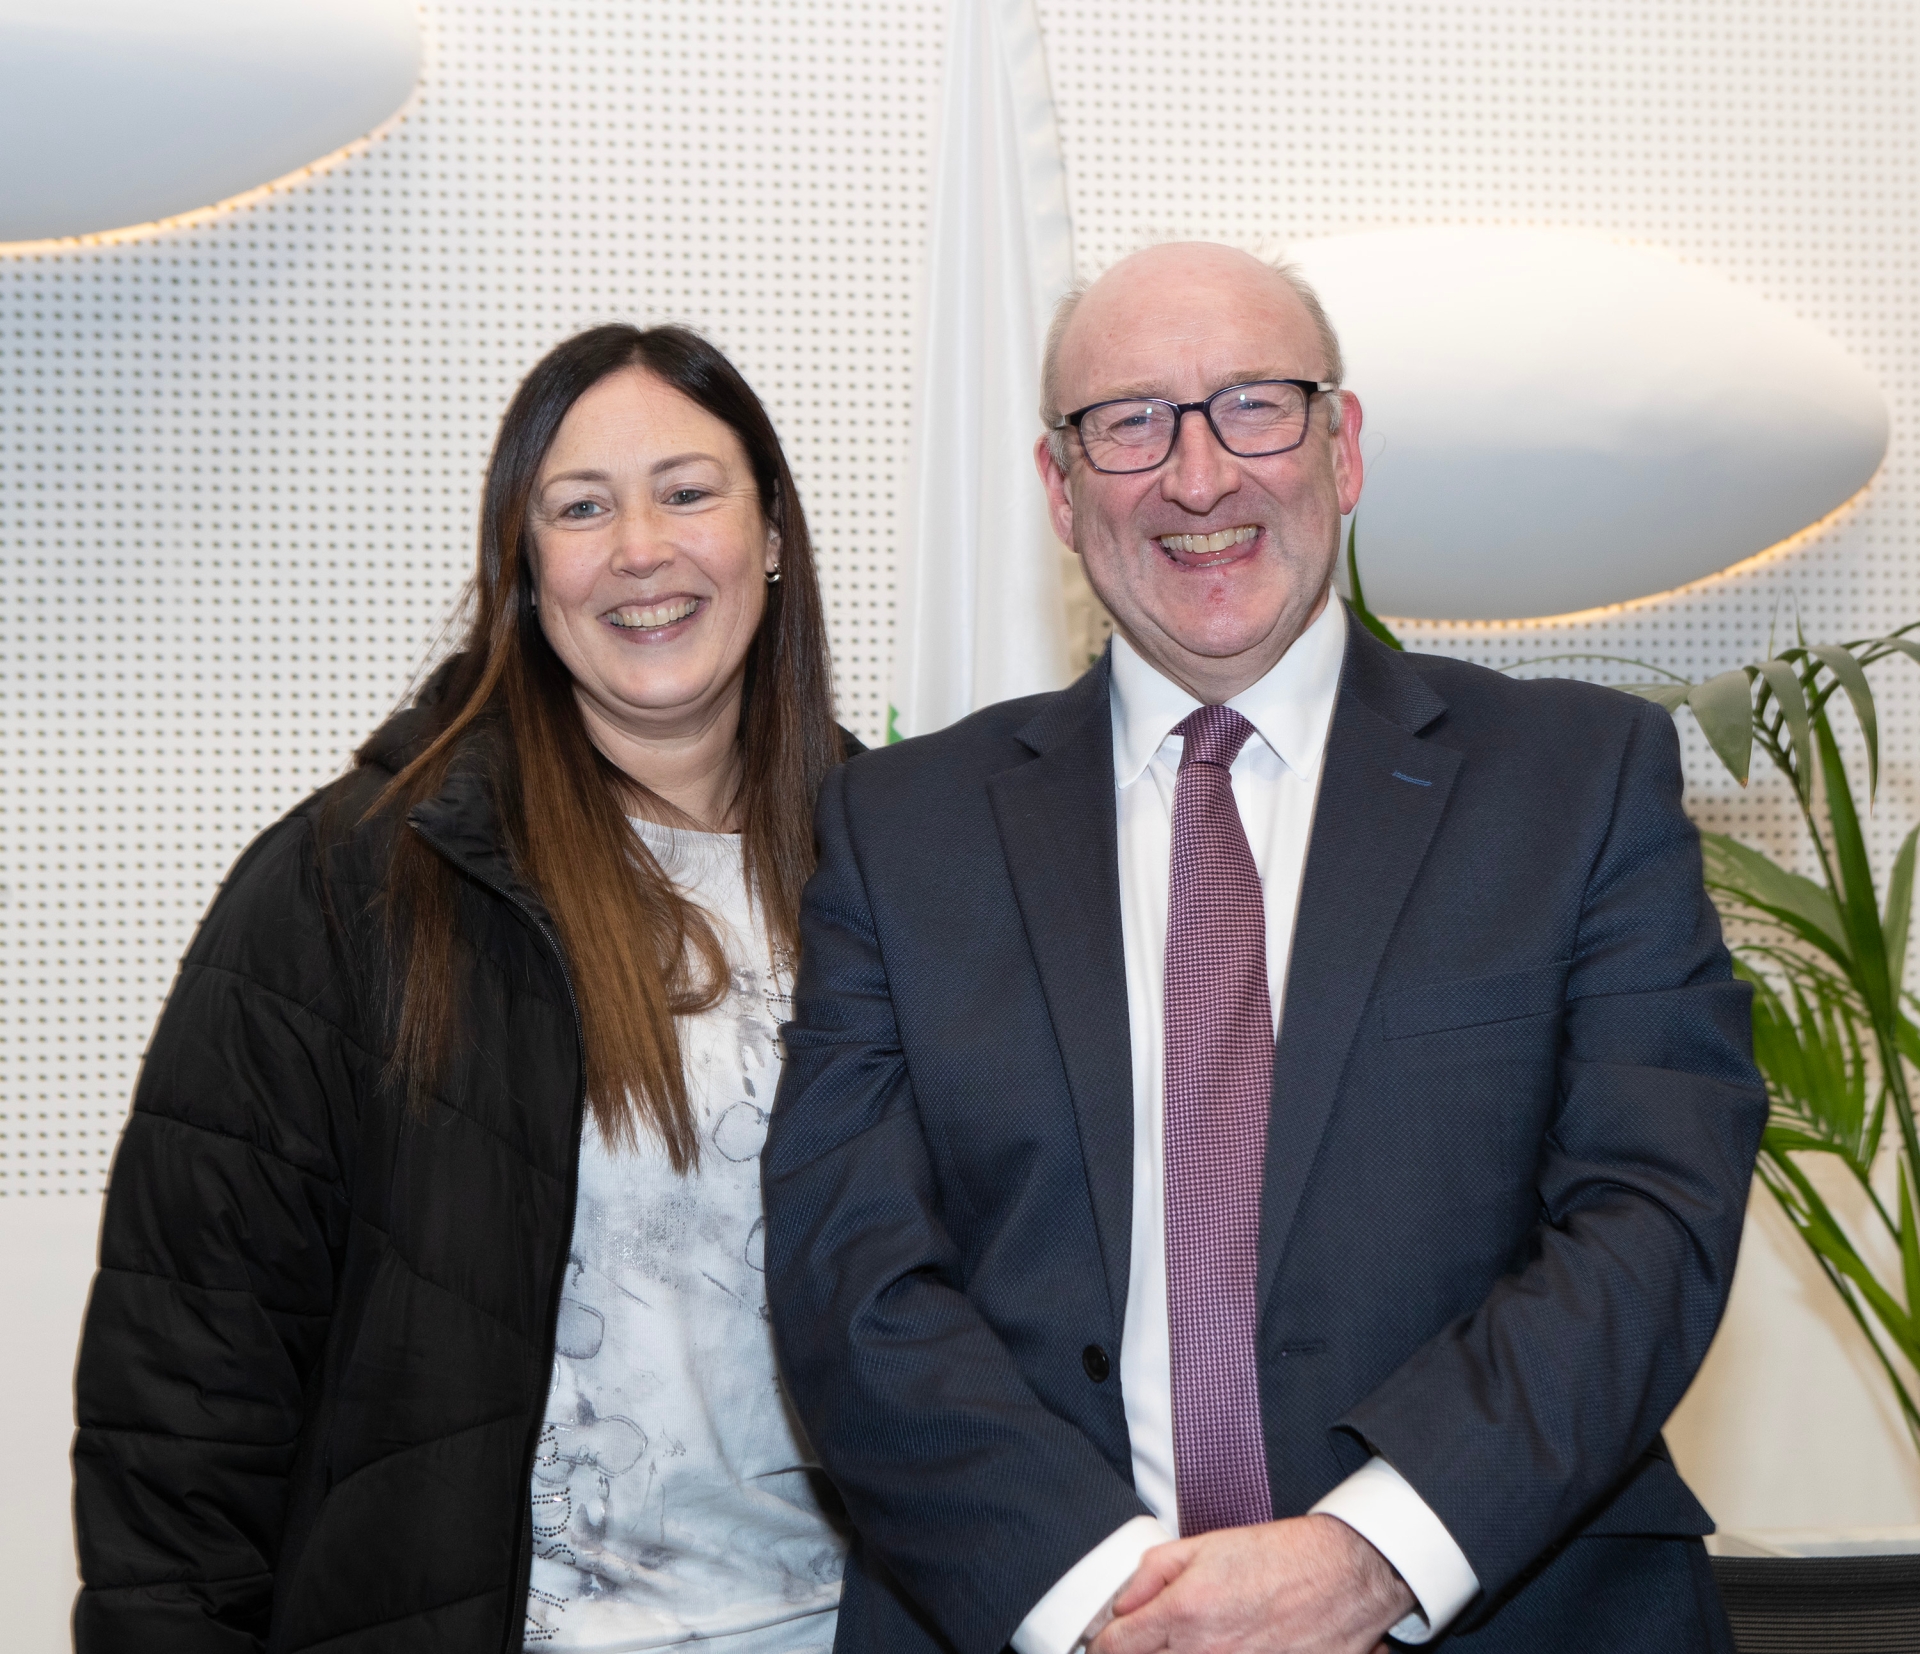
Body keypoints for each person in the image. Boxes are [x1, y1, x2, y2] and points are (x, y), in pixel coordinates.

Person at [761, 242, 1766, 1653]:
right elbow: (846, 1269)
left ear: (1341, 448)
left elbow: (1652, 1212)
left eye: (1254, 405)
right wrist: (1105, 1597)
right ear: (1059, 488)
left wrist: (1372, 1554)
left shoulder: (1576, 781)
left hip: (1509, 1611)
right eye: (1129, 422)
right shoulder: (898, 825)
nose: (1196, 475)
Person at [73, 322, 858, 1654]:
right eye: (580, 508)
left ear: (771, 534)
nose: (640, 549)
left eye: (687, 490)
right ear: (526, 565)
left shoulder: (910, 869)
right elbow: (189, 1391)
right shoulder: (353, 885)